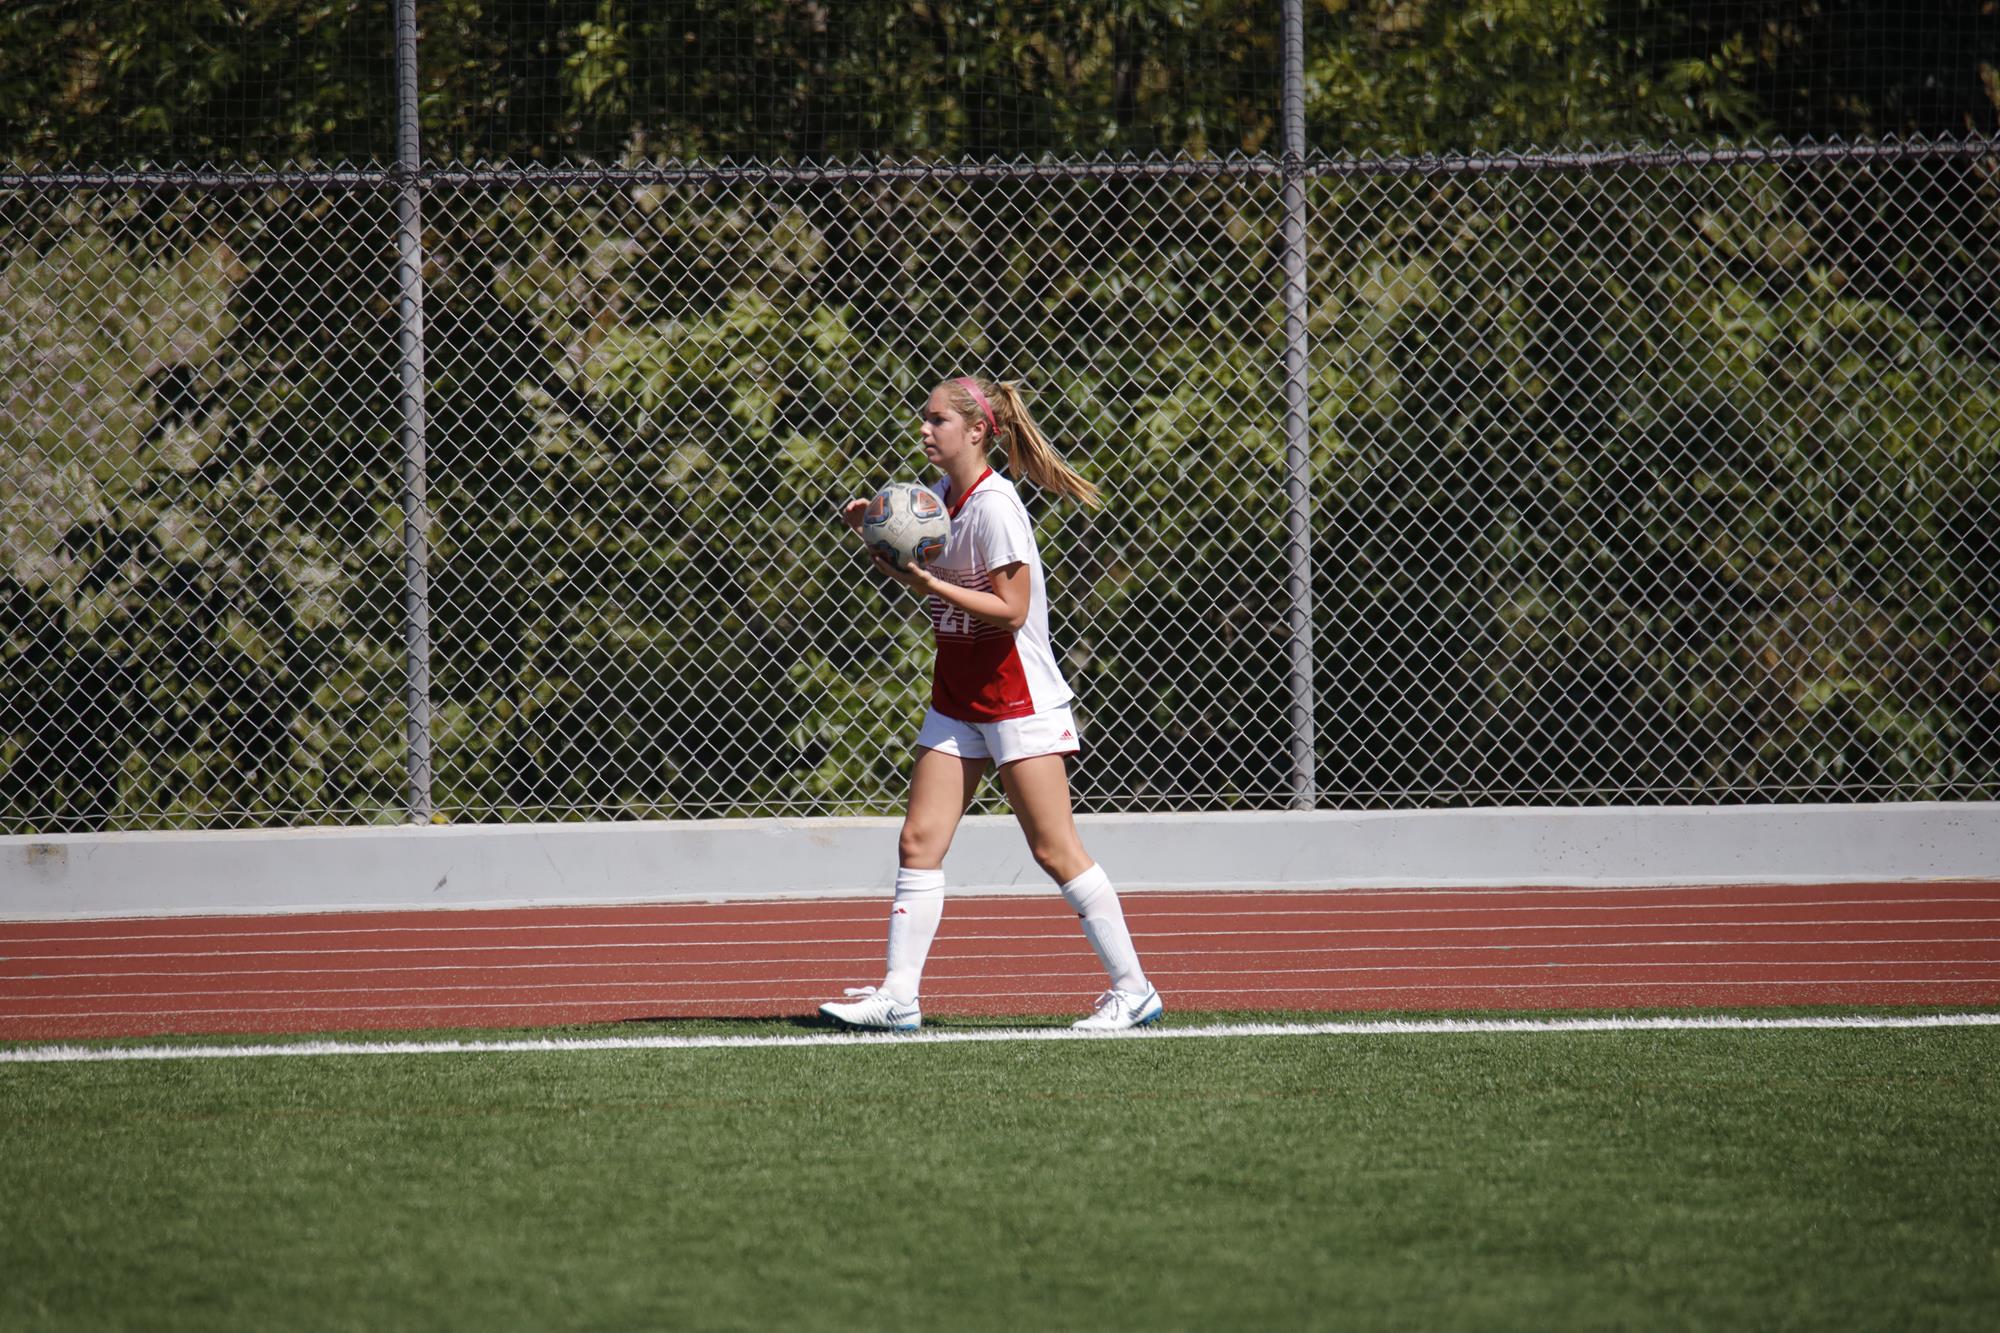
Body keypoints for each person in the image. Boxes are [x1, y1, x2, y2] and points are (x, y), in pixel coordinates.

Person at [818, 375, 1163, 1033]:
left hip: (1017, 696)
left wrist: (920, 577)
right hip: (959, 690)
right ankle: (899, 995)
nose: (924, 429)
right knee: (919, 838)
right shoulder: (937, 500)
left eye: (937, 420)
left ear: (976, 430)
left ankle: (1134, 988)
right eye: (923, 419)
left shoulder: (996, 504)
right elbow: (920, 575)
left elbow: (1011, 611)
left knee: (1054, 849)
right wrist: (878, 538)